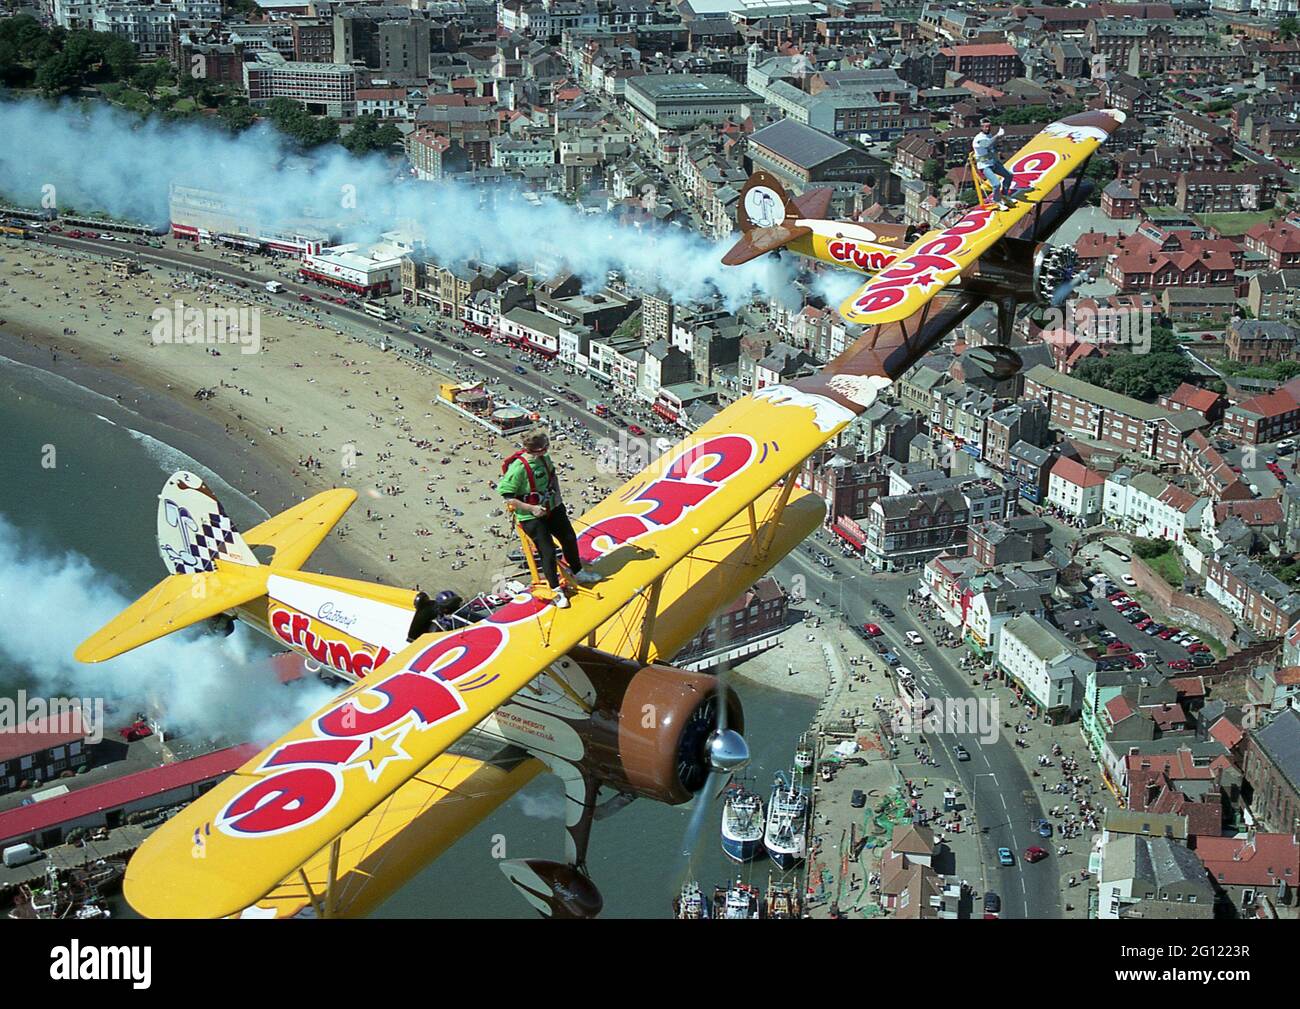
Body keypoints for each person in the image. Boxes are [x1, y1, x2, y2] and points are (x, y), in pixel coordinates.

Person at [498, 430, 601, 608]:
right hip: (532, 514)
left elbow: (553, 478)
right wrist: (532, 508)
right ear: (536, 450)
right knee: (547, 551)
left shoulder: (544, 459)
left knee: (568, 537)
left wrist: (558, 499)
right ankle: (555, 589)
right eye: (545, 448)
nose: (547, 450)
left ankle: (578, 571)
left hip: (552, 506)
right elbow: (508, 497)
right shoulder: (519, 468)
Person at [972, 118, 1018, 209]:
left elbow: (992, 146)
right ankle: (996, 201)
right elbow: (986, 144)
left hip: (993, 163)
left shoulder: (989, 135)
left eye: (989, 126)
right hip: (984, 166)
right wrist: (997, 135)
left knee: (1009, 175)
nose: (987, 128)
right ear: (981, 127)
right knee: (996, 184)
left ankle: (1004, 195)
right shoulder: (978, 138)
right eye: (985, 127)